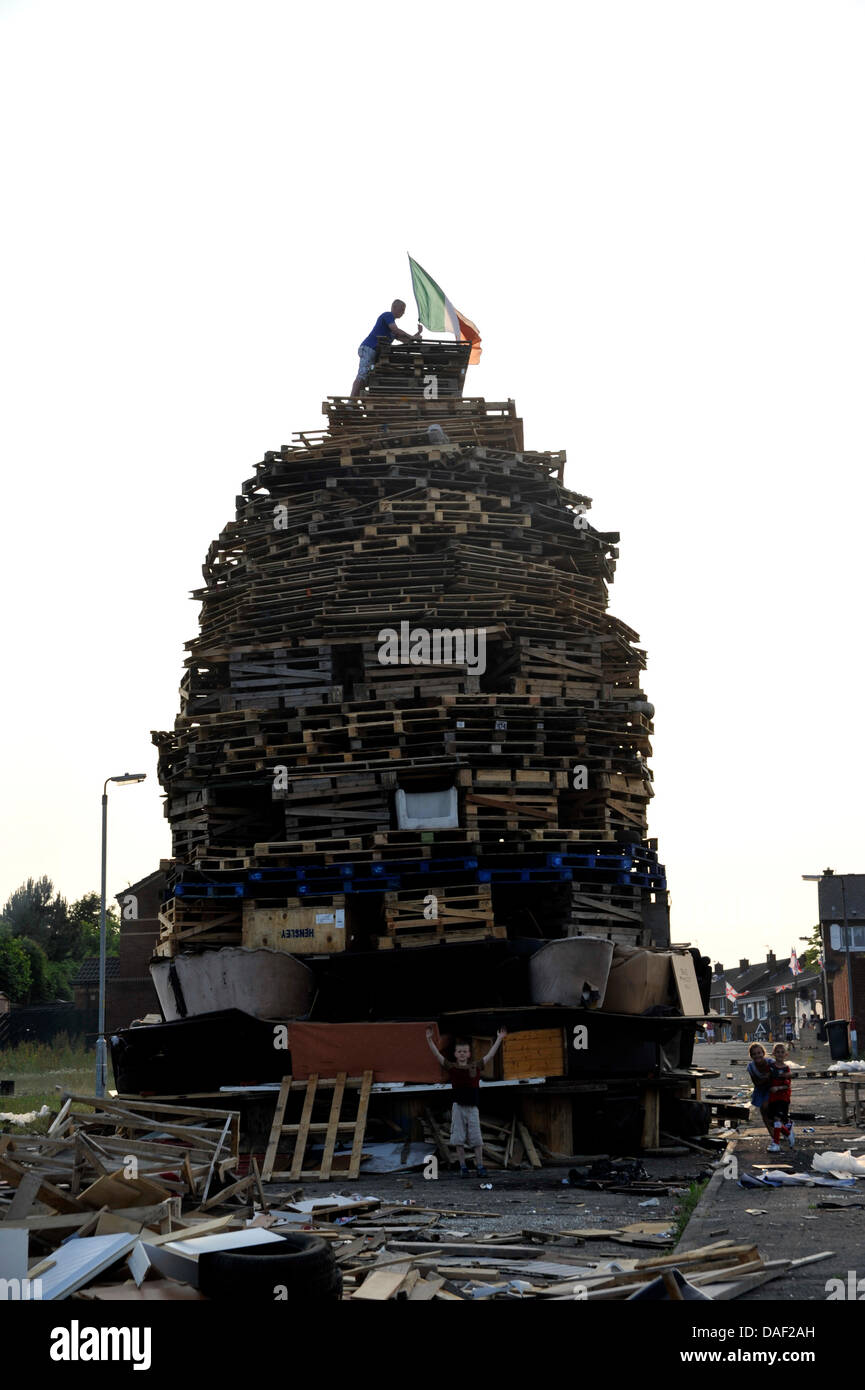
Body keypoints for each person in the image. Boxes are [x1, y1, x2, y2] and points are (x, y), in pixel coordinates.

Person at [426, 1026, 507, 1176]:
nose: (462, 1054)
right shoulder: (452, 1067)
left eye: (465, 1051)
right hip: (458, 1107)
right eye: (459, 1052)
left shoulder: (475, 1066)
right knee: (458, 1138)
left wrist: (499, 1039)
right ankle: (463, 1167)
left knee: (477, 1139)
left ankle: (480, 1167)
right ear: (456, 1054)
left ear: (468, 1054)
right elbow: (438, 1056)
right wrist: (429, 1040)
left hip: (472, 1108)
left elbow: (489, 1055)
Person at [350, 300, 422, 397]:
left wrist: (417, 334)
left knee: (367, 377)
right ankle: (351, 401)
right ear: (394, 307)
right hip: (368, 348)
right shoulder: (388, 315)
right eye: (402, 309)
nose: (403, 313)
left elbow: (406, 340)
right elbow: (396, 330)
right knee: (362, 375)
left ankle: (355, 401)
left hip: (374, 353)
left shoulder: (391, 330)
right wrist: (412, 337)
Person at [767, 1042, 794, 1152]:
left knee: (777, 1118)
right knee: (772, 1120)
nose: (780, 1054)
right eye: (777, 1052)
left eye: (782, 1052)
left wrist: (778, 1088)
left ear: (786, 1054)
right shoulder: (771, 1067)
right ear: (773, 1053)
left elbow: (787, 1085)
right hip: (772, 1097)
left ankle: (776, 1144)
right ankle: (788, 1133)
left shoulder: (786, 1069)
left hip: (783, 1097)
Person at [747, 1042, 774, 1140]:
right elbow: (756, 1083)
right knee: (764, 1112)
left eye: (759, 1053)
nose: (757, 1055)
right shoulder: (751, 1067)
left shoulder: (771, 1063)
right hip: (760, 1090)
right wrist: (766, 1078)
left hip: (772, 1089)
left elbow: (777, 1077)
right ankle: (773, 1135)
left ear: (763, 1053)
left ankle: (779, 1129)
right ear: (751, 1056)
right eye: (754, 1054)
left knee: (768, 1109)